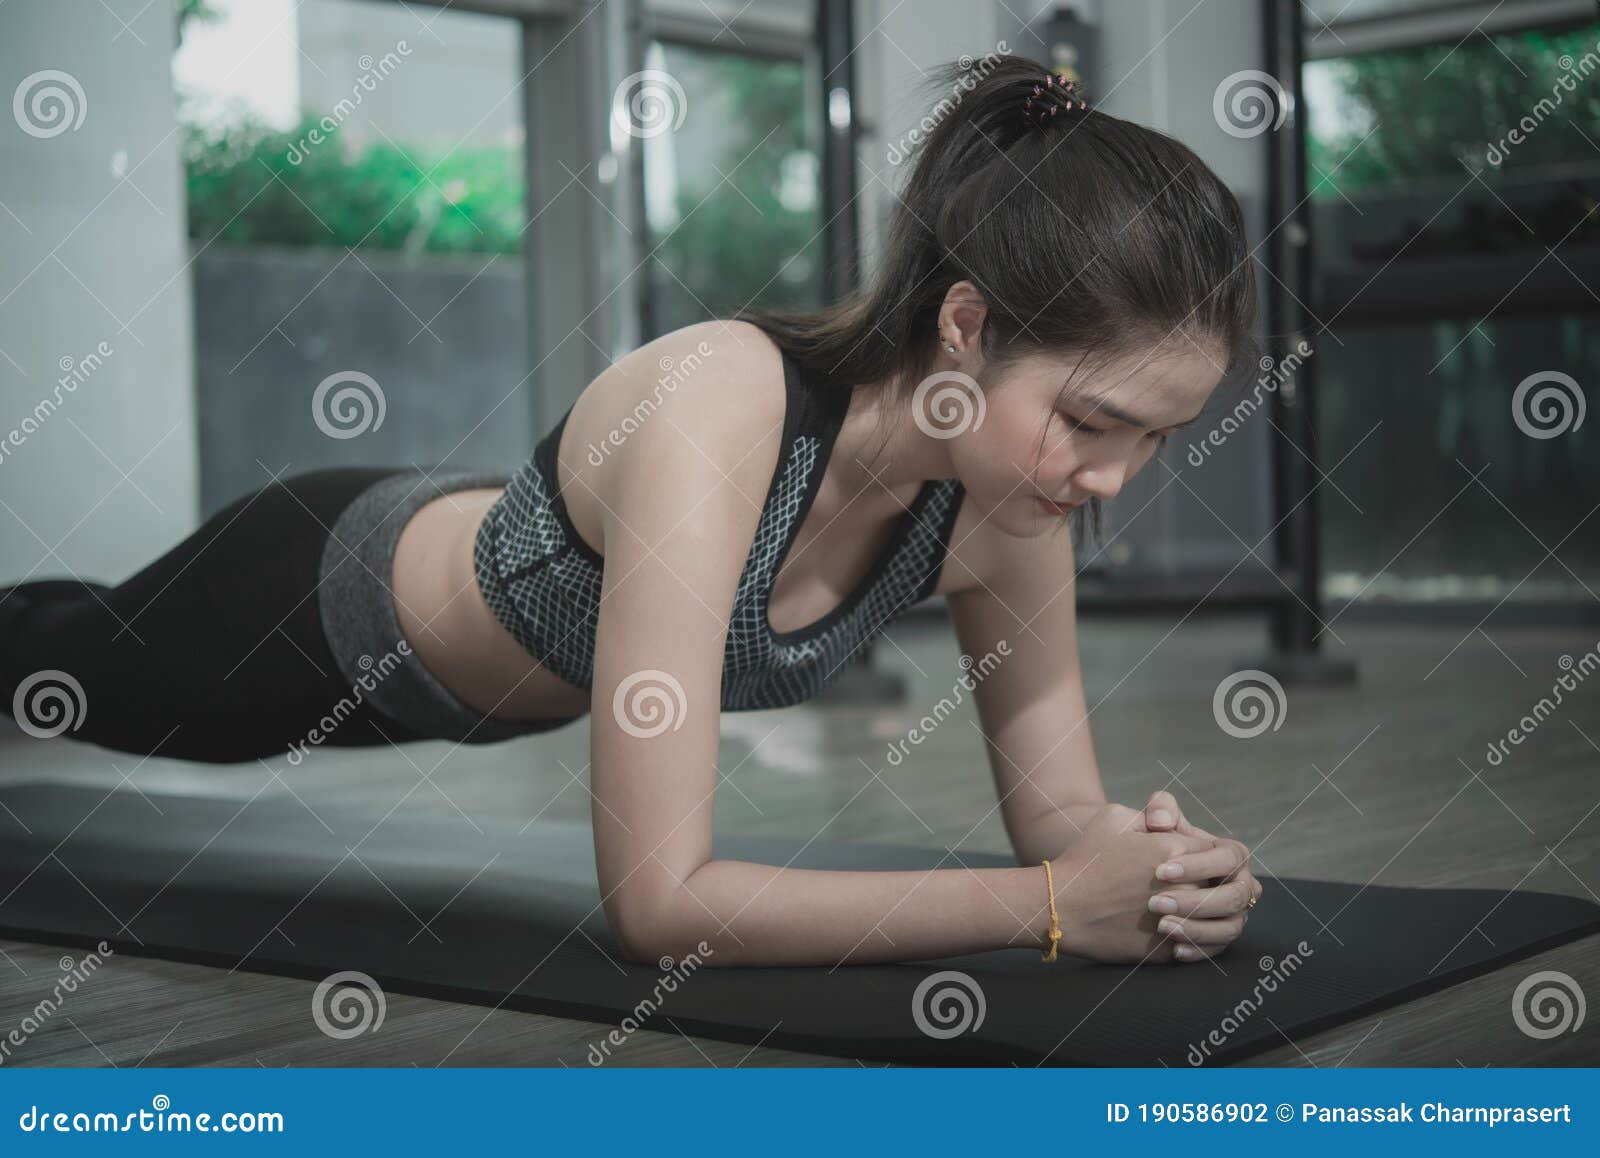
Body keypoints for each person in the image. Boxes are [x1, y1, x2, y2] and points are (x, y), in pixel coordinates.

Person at [2, 57, 1262, 970]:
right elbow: (661, 906)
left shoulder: (1009, 508)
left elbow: (1057, 820)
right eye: (1094, 422)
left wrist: (1166, 874)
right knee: (44, 662)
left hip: (454, 689)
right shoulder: (722, 403)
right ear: (968, 324)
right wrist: (1046, 908)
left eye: (1155, 438)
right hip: (313, 609)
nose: (1112, 479)